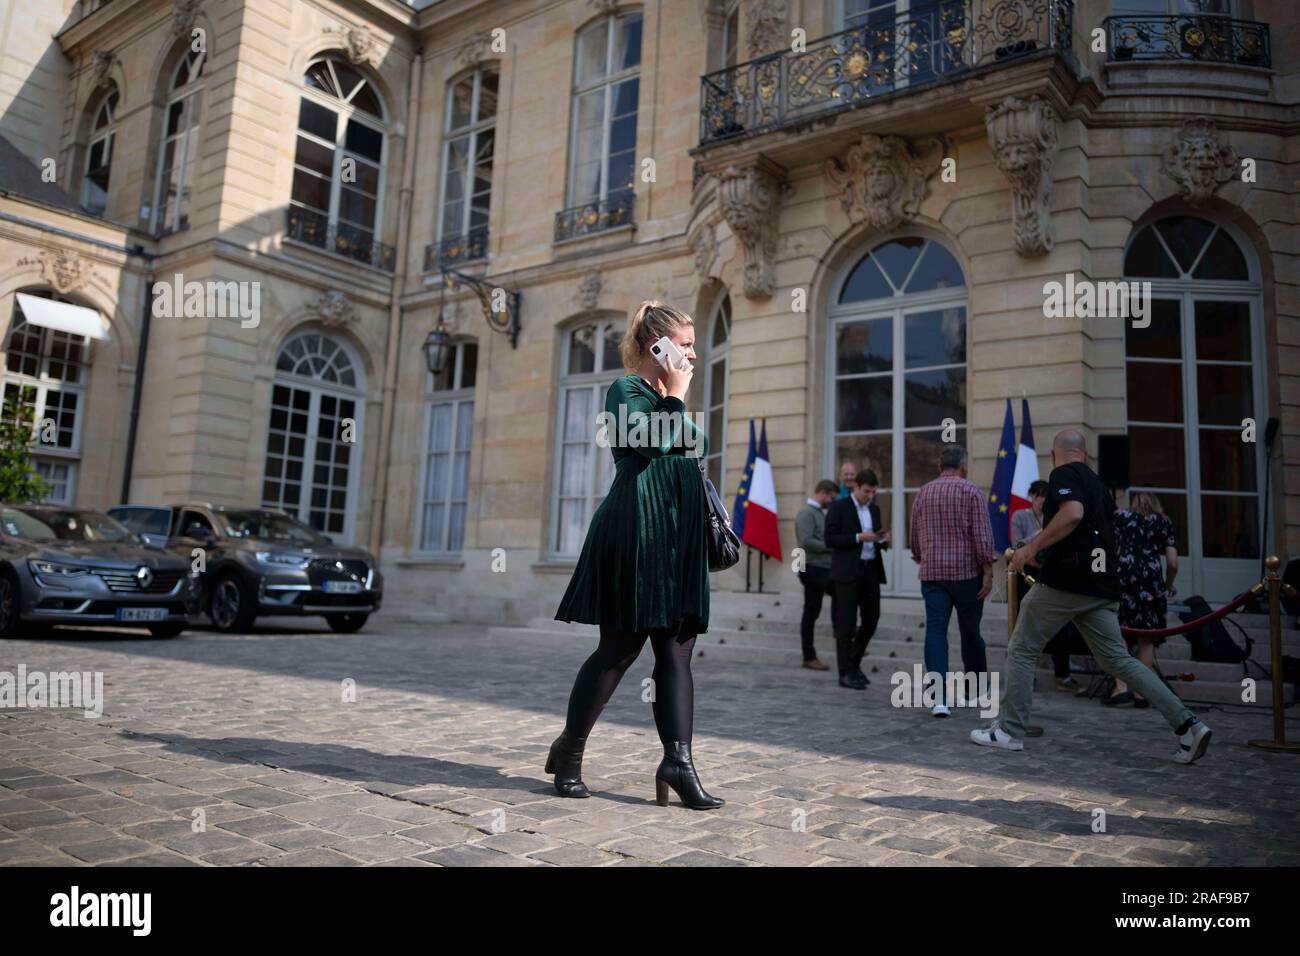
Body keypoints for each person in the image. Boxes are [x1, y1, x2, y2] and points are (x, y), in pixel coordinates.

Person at [549, 301, 724, 810]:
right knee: (619, 649)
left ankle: (678, 762)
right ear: (658, 346)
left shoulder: (670, 398)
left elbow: (695, 445)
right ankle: (570, 752)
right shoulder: (626, 390)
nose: (694, 353)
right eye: (686, 344)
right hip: (637, 528)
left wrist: (676, 403)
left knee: (676, 653)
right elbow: (648, 443)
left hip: (678, 537)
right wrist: (676, 398)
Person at [972, 430, 1212, 764]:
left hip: (1067, 582)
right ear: (1084, 453)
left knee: (1023, 647)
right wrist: (1041, 546)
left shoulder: (1064, 474)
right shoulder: (1101, 487)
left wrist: (1029, 549)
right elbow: (1084, 527)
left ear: (1056, 454)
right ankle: (1188, 724)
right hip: (1101, 587)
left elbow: (1071, 514)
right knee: (1118, 661)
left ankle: (1010, 731)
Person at [909, 445, 998, 717]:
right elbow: (982, 538)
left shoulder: (923, 492)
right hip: (966, 576)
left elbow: (913, 538)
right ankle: (976, 693)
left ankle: (939, 699)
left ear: (940, 467)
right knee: (970, 631)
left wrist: (922, 556)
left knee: (936, 632)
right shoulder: (971, 492)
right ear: (964, 466)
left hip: (933, 574)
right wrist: (988, 571)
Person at [1105, 491, 1179, 708]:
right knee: (1146, 638)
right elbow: (1173, 563)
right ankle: (1141, 692)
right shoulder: (1164, 523)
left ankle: (1121, 687)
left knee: (1119, 632)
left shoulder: (1122, 517)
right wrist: (1167, 584)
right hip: (1151, 582)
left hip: (1124, 578)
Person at [1013, 479, 1083, 693]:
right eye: (1039, 495)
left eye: (1046, 495)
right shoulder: (1020, 516)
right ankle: (1026, 676)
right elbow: (1017, 544)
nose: (1042, 500)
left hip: (1051, 574)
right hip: (1026, 575)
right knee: (1025, 626)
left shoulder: (1055, 518)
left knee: (1060, 626)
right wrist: (1038, 539)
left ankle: (1063, 675)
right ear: (1032, 496)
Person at [824, 470, 889, 689]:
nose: (869, 496)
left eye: (873, 492)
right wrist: (858, 537)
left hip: (870, 570)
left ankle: (854, 664)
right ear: (856, 487)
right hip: (847, 572)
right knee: (846, 623)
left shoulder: (875, 508)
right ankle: (845, 673)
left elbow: (877, 540)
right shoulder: (839, 507)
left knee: (872, 618)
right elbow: (830, 539)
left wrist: (883, 539)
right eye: (866, 491)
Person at [794, 480, 838, 671]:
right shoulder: (806, 513)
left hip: (824, 568)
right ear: (822, 493)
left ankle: (845, 638)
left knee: (842, 598)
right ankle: (808, 656)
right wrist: (831, 545)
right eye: (831, 497)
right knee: (811, 611)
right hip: (812, 568)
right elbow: (806, 541)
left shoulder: (819, 513)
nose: (832, 501)